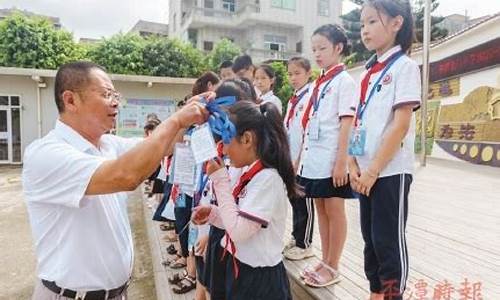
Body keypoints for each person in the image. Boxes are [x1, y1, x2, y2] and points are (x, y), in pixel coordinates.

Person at [22, 61, 207, 299]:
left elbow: (165, 146)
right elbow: (127, 176)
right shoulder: (46, 154)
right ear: (70, 100)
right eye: (106, 94)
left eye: (115, 94)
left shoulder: (108, 144)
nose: (115, 101)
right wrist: (177, 120)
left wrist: (194, 115)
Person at [349, 1, 421, 299]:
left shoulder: (404, 67)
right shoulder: (367, 73)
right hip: (365, 172)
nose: (365, 29)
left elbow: (400, 125)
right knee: (371, 241)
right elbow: (359, 121)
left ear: (396, 23)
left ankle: (392, 295)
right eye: (362, 23)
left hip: (389, 171)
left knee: (388, 242)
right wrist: (353, 162)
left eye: (372, 22)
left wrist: (374, 168)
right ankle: (375, 293)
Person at [192, 101, 297, 300]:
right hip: (242, 268)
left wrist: (220, 181)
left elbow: (239, 232)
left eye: (227, 141)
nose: (223, 150)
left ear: (247, 139)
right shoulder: (248, 172)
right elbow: (238, 220)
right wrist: (213, 214)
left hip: (261, 281)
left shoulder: (267, 179)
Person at [296, 24, 356, 287]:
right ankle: (325, 258)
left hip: (333, 158)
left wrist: (342, 161)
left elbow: (347, 123)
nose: (317, 54)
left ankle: (334, 265)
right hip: (316, 159)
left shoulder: (345, 81)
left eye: (322, 48)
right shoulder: (320, 83)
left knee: (334, 208)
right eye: (314, 49)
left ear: (338, 48)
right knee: (320, 209)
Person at [283, 57, 315, 261]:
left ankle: (306, 244)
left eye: (297, 73)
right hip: (290, 158)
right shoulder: (293, 99)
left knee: (304, 201)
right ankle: (297, 236)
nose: (293, 78)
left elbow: (308, 131)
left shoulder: (311, 95)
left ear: (308, 73)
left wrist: (298, 159)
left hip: (303, 160)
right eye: (290, 74)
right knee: (295, 200)